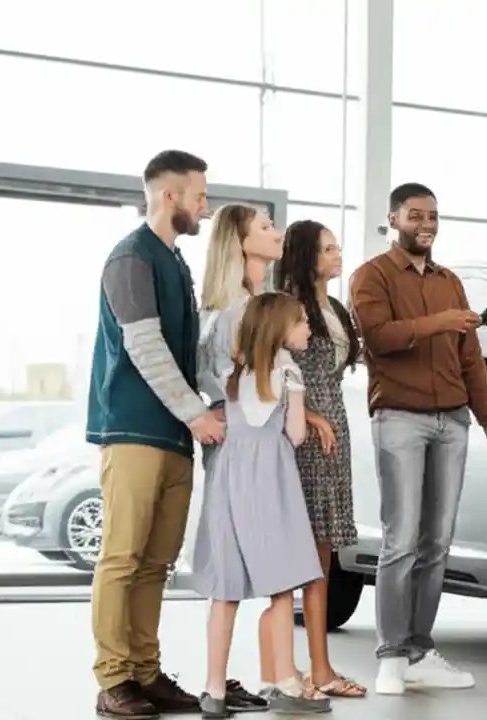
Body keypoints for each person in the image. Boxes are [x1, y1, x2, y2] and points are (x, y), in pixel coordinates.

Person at [349, 182, 487, 696]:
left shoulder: (450, 281)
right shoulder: (370, 276)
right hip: (399, 417)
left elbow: (469, 360)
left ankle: (420, 649)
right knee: (401, 540)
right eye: (415, 215)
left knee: (436, 543)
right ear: (393, 218)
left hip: (453, 422)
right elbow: (377, 339)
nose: (427, 224)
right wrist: (438, 322)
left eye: (434, 216)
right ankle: (391, 656)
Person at [86, 149, 225, 719]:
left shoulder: (177, 263)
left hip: (174, 435)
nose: (205, 205)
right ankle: (113, 677)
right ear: (170, 196)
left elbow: (188, 354)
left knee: (155, 561)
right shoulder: (130, 257)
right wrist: (196, 413)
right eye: (199, 194)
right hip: (135, 429)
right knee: (122, 557)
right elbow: (144, 346)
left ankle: (145, 671)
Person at [196, 204, 337, 711]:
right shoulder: (281, 369)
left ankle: (214, 688)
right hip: (272, 481)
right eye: (264, 226)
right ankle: (284, 681)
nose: (306, 330)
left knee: (227, 589)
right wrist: (299, 401)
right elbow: (293, 433)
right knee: (283, 582)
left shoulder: (235, 370)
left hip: (230, 475)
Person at [271, 219, 367, 699]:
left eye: (337, 247)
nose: (337, 254)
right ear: (307, 255)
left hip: (335, 431)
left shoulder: (335, 308)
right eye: (328, 249)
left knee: (324, 552)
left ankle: (321, 669)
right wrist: (307, 414)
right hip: (303, 433)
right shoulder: (286, 307)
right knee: (301, 553)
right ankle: (291, 672)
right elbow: (269, 370)